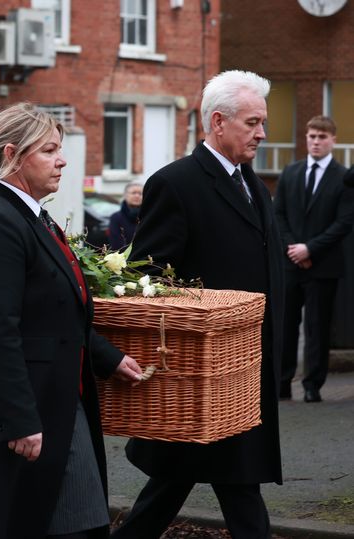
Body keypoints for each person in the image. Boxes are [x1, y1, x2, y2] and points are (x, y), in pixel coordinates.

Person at [0, 103, 143, 539]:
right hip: (21, 409)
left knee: (78, 519)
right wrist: (18, 419)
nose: (62, 160)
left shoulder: (33, 217)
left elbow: (53, 308)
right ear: (14, 154)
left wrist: (106, 356)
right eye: (50, 149)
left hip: (55, 400)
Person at [111, 70, 285, 539]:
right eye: (252, 123)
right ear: (218, 121)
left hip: (244, 365)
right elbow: (148, 277)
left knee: (182, 479)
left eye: (262, 123)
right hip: (204, 370)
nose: (262, 133)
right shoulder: (177, 183)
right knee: (229, 481)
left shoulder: (252, 182)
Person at [273, 116, 354, 403]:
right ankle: (281, 383)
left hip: (324, 264)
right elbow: (278, 214)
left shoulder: (344, 177)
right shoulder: (290, 172)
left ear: (333, 140)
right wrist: (293, 247)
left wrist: (311, 249)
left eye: (321, 137)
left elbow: (344, 222)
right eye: (311, 136)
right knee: (285, 324)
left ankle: (312, 385)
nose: (316, 141)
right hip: (290, 263)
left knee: (318, 327)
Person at [108, 181, 143, 250]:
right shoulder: (116, 218)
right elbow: (116, 244)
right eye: (133, 193)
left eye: (140, 193)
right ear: (125, 195)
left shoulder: (148, 216)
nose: (137, 196)